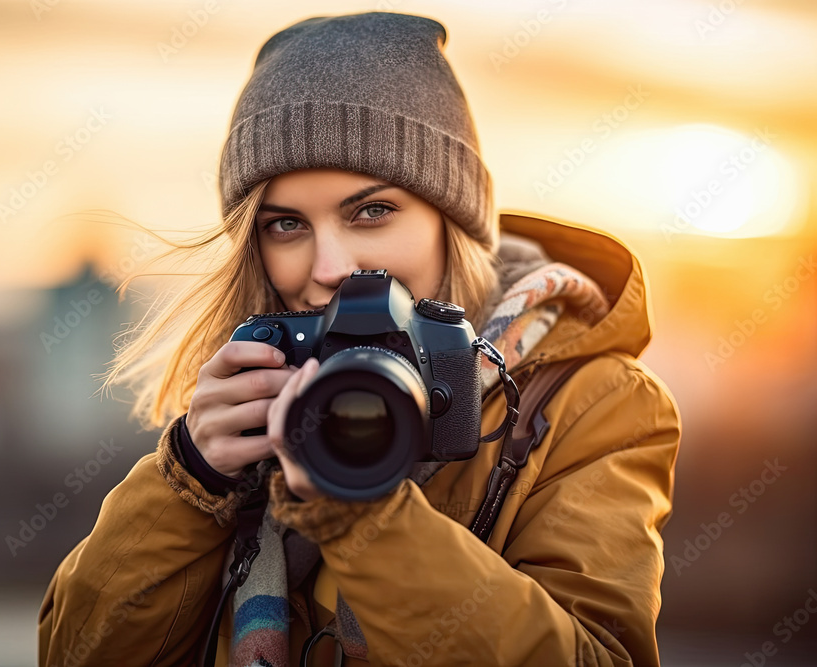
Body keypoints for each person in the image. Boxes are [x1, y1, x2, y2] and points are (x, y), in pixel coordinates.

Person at [37, 10, 681, 667]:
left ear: (451, 220)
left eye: (371, 211)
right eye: (286, 224)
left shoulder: (590, 402)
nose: (329, 268)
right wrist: (190, 479)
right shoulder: (252, 391)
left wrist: (361, 519)